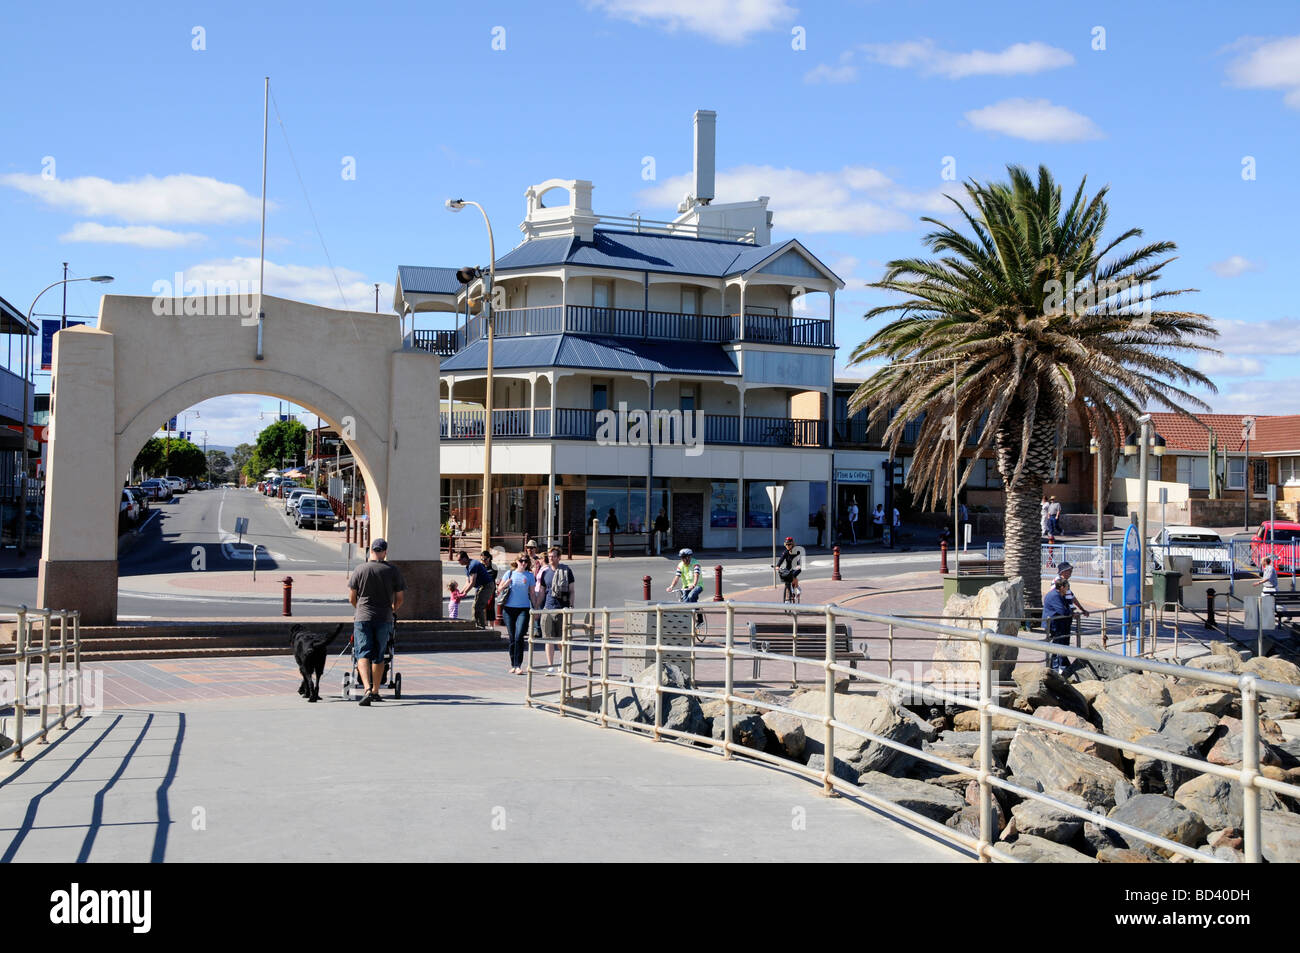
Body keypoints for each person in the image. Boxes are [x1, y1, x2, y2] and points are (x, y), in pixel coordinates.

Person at [347, 537, 406, 706]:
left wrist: (359, 609)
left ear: (371, 551)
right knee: (379, 655)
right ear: (385, 552)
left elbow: (352, 597)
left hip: (363, 617)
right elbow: (400, 598)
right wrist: (392, 609)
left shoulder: (360, 569)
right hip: (384, 617)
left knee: (362, 653)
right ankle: (375, 691)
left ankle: (366, 689)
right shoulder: (393, 571)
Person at [536, 547, 575, 675]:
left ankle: (562, 663)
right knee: (548, 639)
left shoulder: (566, 571)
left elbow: (571, 590)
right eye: (549, 556)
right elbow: (542, 591)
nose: (551, 558)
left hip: (561, 609)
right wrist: (537, 607)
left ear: (559, 557)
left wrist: (571, 606)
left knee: (560, 640)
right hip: (548, 608)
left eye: (553, 556)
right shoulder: (545, 573)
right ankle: (550, 666)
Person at [497, 555, 536, 675]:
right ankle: (513, 664)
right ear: (516, 562)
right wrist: (506, 584)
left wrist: (536, 608)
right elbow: (499, 589)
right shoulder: (509, 574)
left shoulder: (529, 576)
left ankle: (518, 665)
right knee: (512, 638)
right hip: (509, 609)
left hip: (523, 609)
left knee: (519, 637)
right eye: (521, 561)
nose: (523, 563)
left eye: (525, 561)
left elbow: (532, 593)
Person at [1042, 577, 1077, 676]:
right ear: (1061, 587)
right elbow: (1062, 610)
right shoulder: (1055, 596)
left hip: (1061, 624)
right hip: (1054, 624)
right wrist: (1071, 613)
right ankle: (1055, 667)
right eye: (1067, 587)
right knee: (1057, 644)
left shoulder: (1060, 595)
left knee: (1062, 643)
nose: (1068, 589)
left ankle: (1062, 665)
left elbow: (1066, 607)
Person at [666, 547, 704, 629]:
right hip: (686, 587)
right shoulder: (680, 565)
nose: (683, 559)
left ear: (689, 557)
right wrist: (671, 586)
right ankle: (688, 618)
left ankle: (700, 619)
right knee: (685, 601)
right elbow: (677, 577)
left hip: (698, 585)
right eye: (681, 557)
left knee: (691, 596)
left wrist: (694, 584)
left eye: (684, 557)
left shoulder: (695, 563)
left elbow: (696, 575)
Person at [458, 549, 494, 629]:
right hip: (481, 586)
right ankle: (475, 625)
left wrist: (465, 593)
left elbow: (472, 582)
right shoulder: (467, 567)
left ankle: (480, 626)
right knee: (474, 606)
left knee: (478, 606)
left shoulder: (473, 565)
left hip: (487, 586)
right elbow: (467, 582)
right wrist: (461, 592)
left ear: (464, 558)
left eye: (459, 560)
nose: (458, 562)